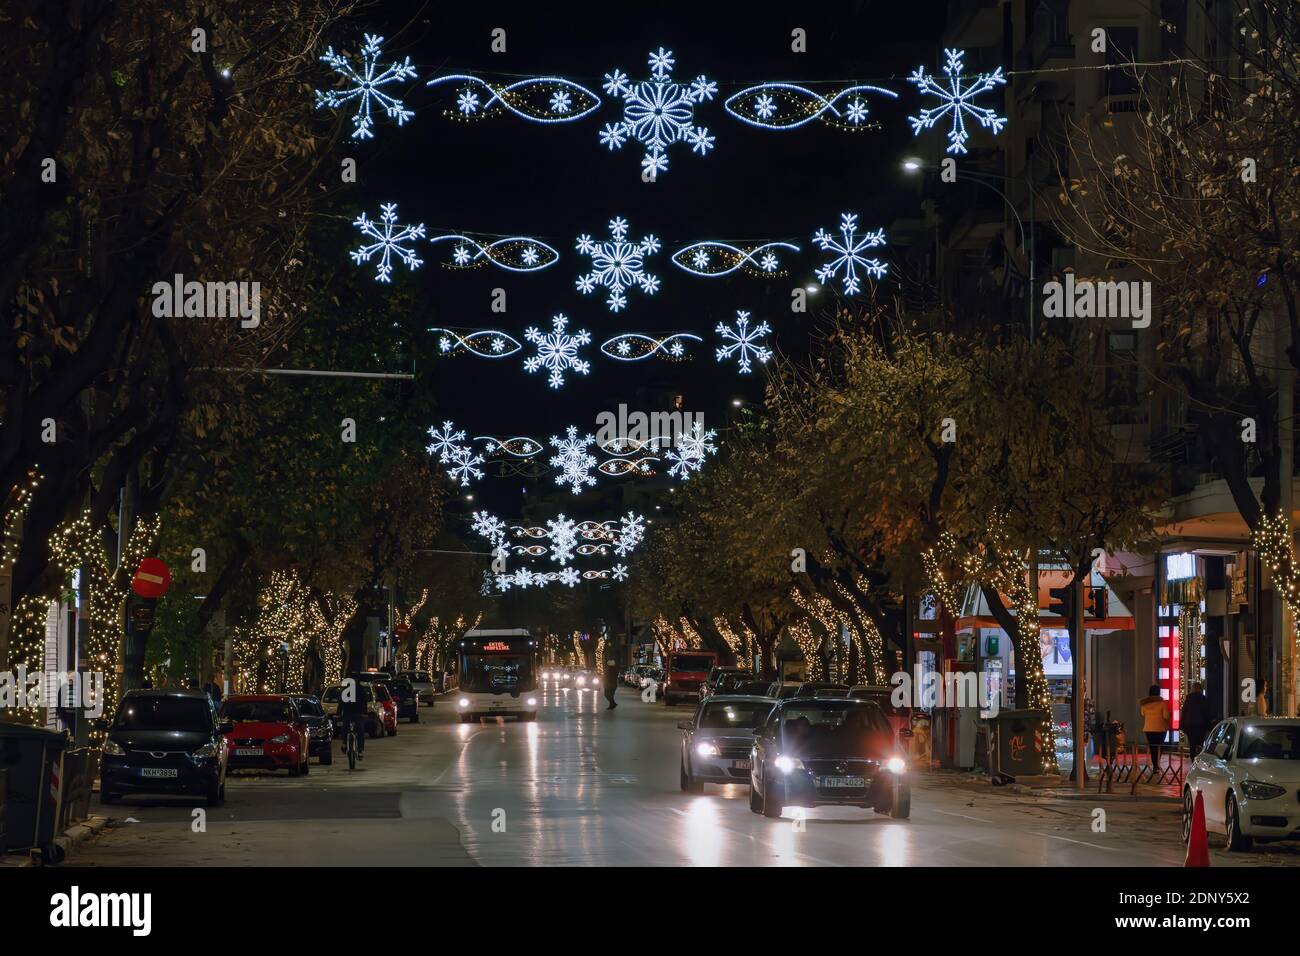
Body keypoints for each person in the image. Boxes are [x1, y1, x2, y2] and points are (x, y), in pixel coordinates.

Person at [1138, 684, 1171, 775]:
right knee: (1159, 747)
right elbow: (1166, 716)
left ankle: (1155, 766)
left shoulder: (1145, 704)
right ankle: (1157, 764)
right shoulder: (1162, 703)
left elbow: (1142, 714)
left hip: (1148, 729)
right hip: (1161, 729)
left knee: (1153, 748)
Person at [339, 676, 371, 760]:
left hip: (352, 712)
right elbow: (364, 701)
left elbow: (341, 701)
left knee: (349, 728)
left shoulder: (351, 688)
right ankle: (355, 748)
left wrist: (339, 712)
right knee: (358, 730)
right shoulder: (359, 689)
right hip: (354, 712)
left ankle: (351, 746)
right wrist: (365, 712)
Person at [1181, 682, 1211, 758]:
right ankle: (1198, 759)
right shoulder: (1203, 699)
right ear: (1200, 689)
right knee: (1200, 745)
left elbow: (1184, 712)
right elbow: (1207, 713)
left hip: (1190, 725)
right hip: (1201, 725)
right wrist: (1208, 726)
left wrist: (1182, 726)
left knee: (1192, 745)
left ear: (1192, 688)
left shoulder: (1188, 699)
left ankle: (1193, 759)